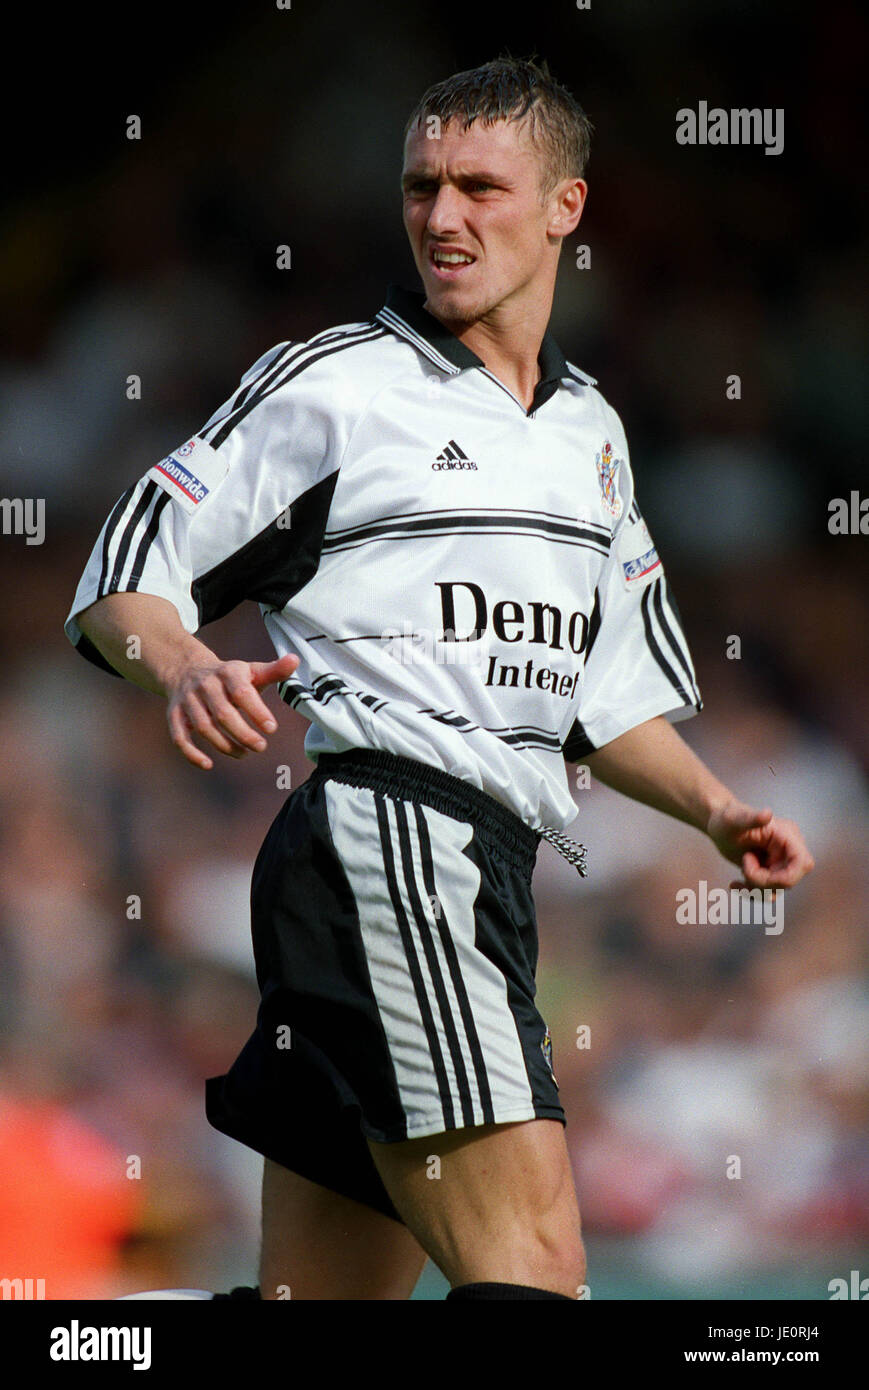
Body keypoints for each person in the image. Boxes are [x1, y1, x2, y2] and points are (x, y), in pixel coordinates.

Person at [65, 56, 814, 1301]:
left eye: (479, 186)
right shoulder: (336, 386)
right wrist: (186, 661)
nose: (442, 217)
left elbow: (604, 700)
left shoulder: (591, 437)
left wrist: (712, 807)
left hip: (483, 870)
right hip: (392, 842)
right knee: (535, 1265)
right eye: (421, 187)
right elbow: (125, 572)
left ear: (566, 208)